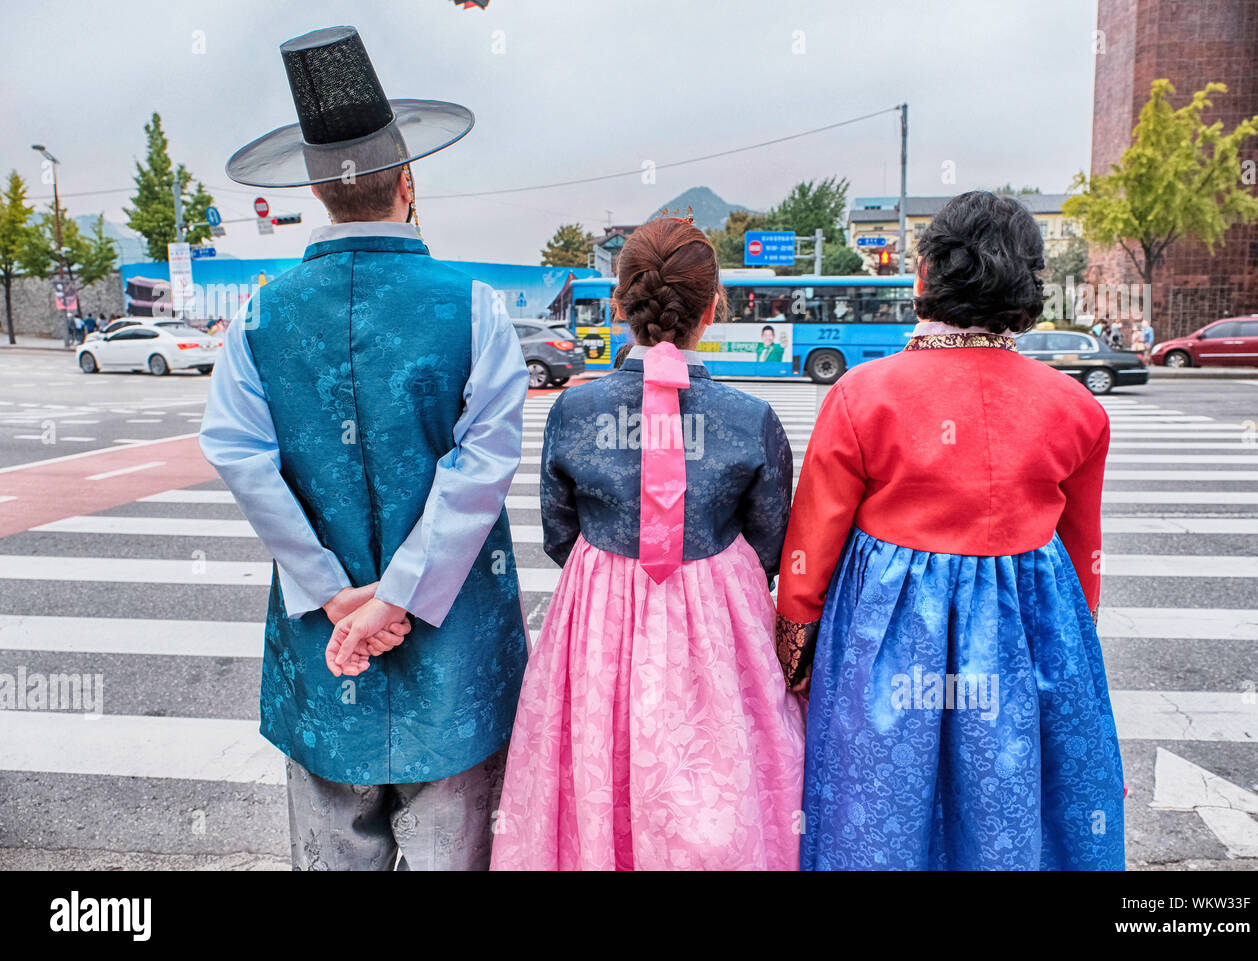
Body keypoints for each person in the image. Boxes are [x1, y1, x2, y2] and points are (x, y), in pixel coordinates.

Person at [201, 25, 530, 871]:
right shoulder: (477, 307)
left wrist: (337, 596)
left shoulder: (261, 317)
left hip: (326, 645)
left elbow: (239, 454)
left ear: (318, 193)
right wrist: (403, 597)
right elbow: (479, 469)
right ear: (407, 185)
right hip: (452, 646)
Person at [777, 191, 1125, 870]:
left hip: (888, 636)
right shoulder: (1076, 409)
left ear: (925, 277)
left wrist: (795, 645)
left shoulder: (862, 395)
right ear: (1026, 289)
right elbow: (1083, 558)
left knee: (880, 802)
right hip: (1025, 632)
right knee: (1006, 800)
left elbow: (808, 550)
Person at [491, 218, 805, 870]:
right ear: (713, 308)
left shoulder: (574, 412)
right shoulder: (752, 419)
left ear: (618, 302)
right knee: (718, 788)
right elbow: (771, 545)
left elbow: (559, 533)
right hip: (720, 631)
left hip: (598, 625)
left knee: (601, 768)